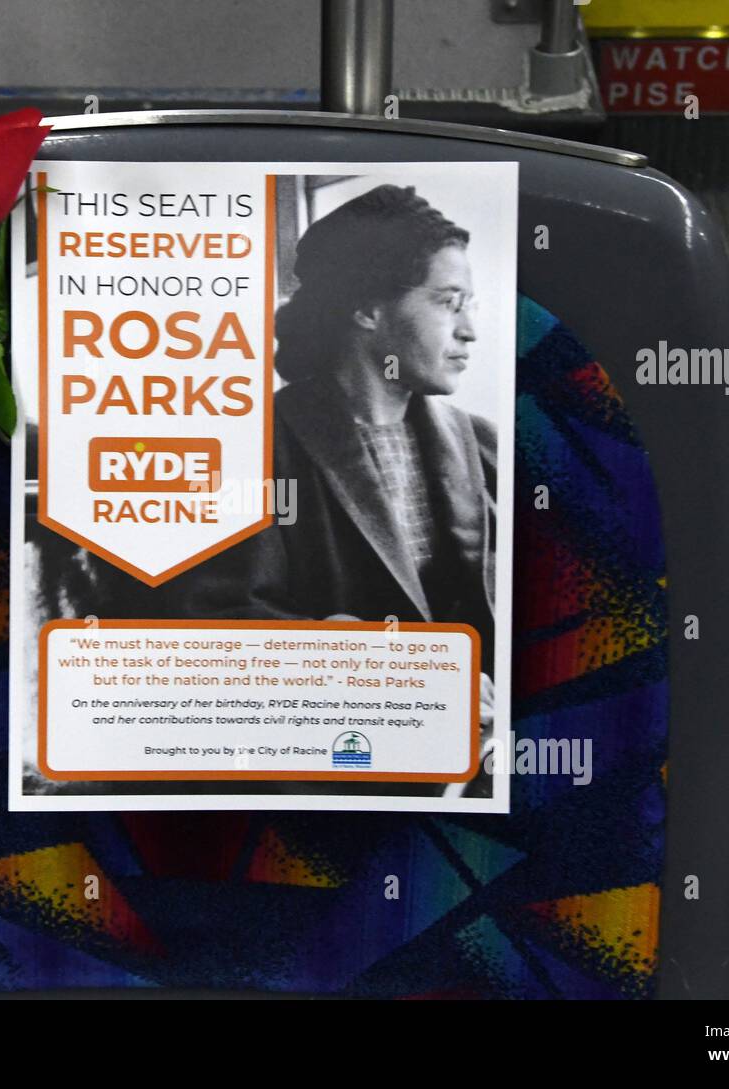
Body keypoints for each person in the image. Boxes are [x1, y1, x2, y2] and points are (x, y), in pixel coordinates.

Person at [161, 183, 498, 796]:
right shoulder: (251, 445)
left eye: (471, 302)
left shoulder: (482, 446)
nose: (471, 330)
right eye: (449, 302)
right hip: (326, 782)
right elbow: (210, 627)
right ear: (367, 310)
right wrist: (377, 665)